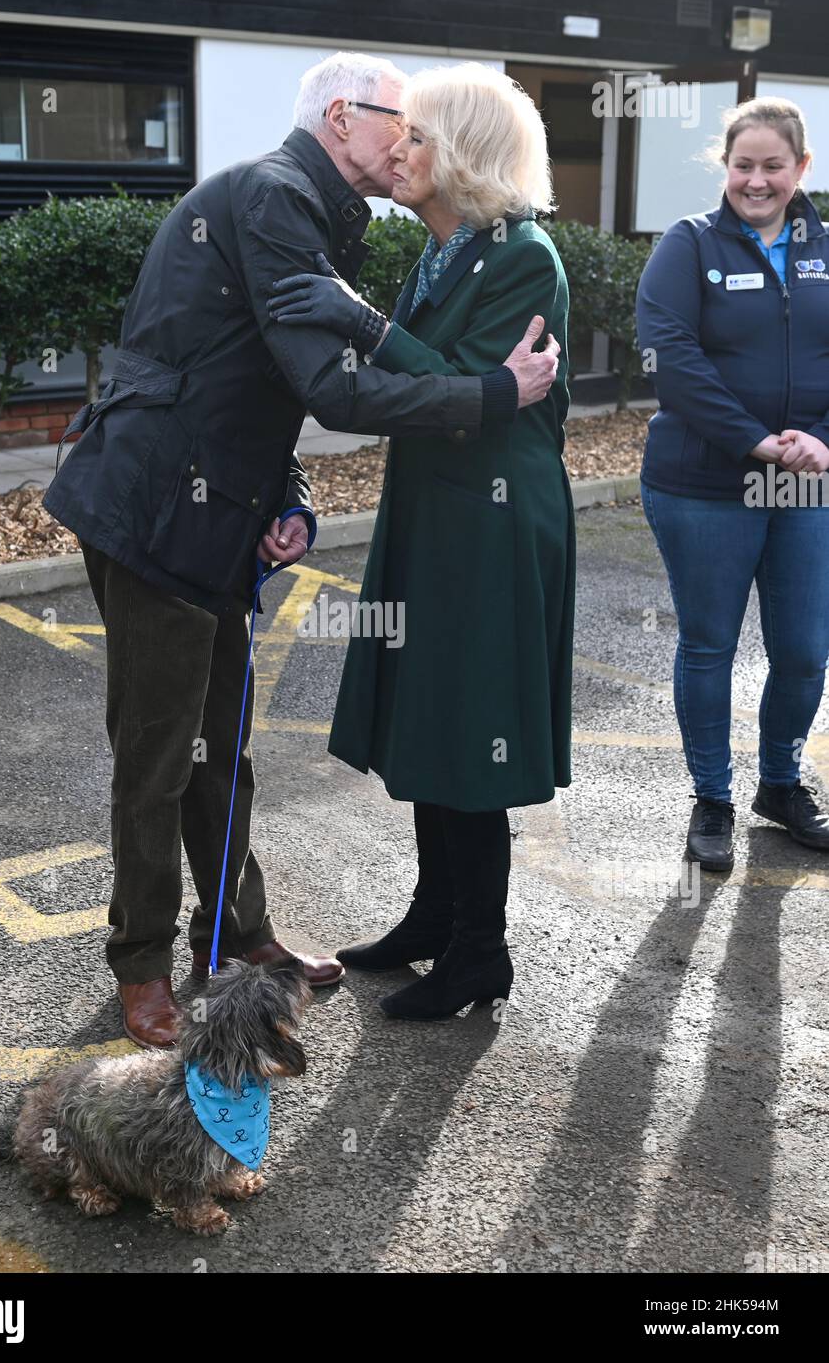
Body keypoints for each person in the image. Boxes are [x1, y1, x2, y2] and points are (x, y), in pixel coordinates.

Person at [43, 53, 557, 1047]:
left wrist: (290, 493)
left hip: (220, 519)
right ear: (341, 116)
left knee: (218, 753)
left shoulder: (323, 213)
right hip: (153, 515)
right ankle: (141, 967)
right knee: (157, 759)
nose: (407, 144)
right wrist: (492, 394)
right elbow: (329, 387)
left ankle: (239, 937)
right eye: (396, 124)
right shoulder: (275, 197)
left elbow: (256, 379)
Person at [269, 63, 573, 1020]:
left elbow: (463, 401)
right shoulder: (440, 256)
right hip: (435, 511)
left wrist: (361, 322)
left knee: (472, 722)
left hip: (488, 519)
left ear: (469, 155)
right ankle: (435, 917)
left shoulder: (524, 256)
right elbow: (419, 385)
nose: (397, 150)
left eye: (419, 137)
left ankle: (482, 949)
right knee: (430, 713)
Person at [636, 96, 829, 871]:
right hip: (704, 482)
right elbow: (670, 357)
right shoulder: (687, 246)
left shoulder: (825, 250)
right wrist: (755, 442)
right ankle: (711, 798)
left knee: (807, 651)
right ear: (726, 166)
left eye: (772, 166)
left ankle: (780, 785)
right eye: (743, 165)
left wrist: (819, 443)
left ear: (801, 169)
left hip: (804, 482)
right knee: (710, 646)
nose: (756, 180)